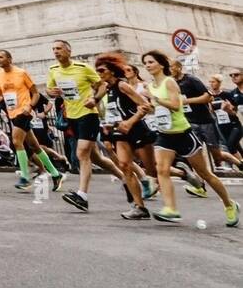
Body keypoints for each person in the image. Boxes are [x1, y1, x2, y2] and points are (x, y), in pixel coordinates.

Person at [142, 50, 238, 226]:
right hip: (165, 135)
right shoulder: (151, 86)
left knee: (205, 174)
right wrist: (148, 109)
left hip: (183, 134)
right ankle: (171, 209)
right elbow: (159, 109)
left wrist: (155, 99)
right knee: (162, 170)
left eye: (151, 62)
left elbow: (175, 105)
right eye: (145, 63)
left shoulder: (169, 82)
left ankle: (229, 204)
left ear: (161, 64)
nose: (147, 65)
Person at [47, 40, 122, 213]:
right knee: (96, 158)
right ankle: (127, 179)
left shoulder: (83, 68)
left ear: (68, 50)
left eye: (59, 48)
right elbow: (50, 90)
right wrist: (52, 92)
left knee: (81, 153)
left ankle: (82, 196)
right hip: (71, 116)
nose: (56, 52)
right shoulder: (53, 70)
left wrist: (94, 99)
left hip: (88, 115)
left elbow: (102, 85)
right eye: (53, 49)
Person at [93, 54, 156, 220]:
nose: (99, 73)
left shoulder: (123, 86)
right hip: (119, 133)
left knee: (153, 170)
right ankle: (139, 207)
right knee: (125, 166)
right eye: (97, 70)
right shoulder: (107, 88)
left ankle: (183, 173)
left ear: (112, 71)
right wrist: (107, 123)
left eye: (102, 70)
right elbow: (110, 108)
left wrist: (129, 122)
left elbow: (146, 106)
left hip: (137, 130)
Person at [0, 50, 64, 193]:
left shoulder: (21, 73)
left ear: (9, 59)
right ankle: (56, 174)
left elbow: (36, 93)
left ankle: (25, 178)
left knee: (16, 141)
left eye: (1, 57)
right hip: (12, 113)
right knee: (34, 146)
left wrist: (30, 106)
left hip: (24, 111)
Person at [172, 59, 241, 172]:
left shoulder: (191, 79)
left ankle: (240, 164)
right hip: (190, 122)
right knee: (195, 153)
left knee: (217, 155)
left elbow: (208, 97)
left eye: (172, 67)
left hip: (205, 122)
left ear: (179, 67)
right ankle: (201, 181)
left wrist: (187, 101)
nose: (170, 69)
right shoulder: (171, 83)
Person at [210, 73, 242, 159]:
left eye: (213, 82)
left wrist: (227, 109)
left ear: (219, 83)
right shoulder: (209, 96)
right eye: (210, 82)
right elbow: (211, 112)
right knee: (236, 146)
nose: (211, 84)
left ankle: (241, 165)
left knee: (230, 145)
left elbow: (234, 112)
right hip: (222, 126)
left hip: (234, 124)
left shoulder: (227, 94)